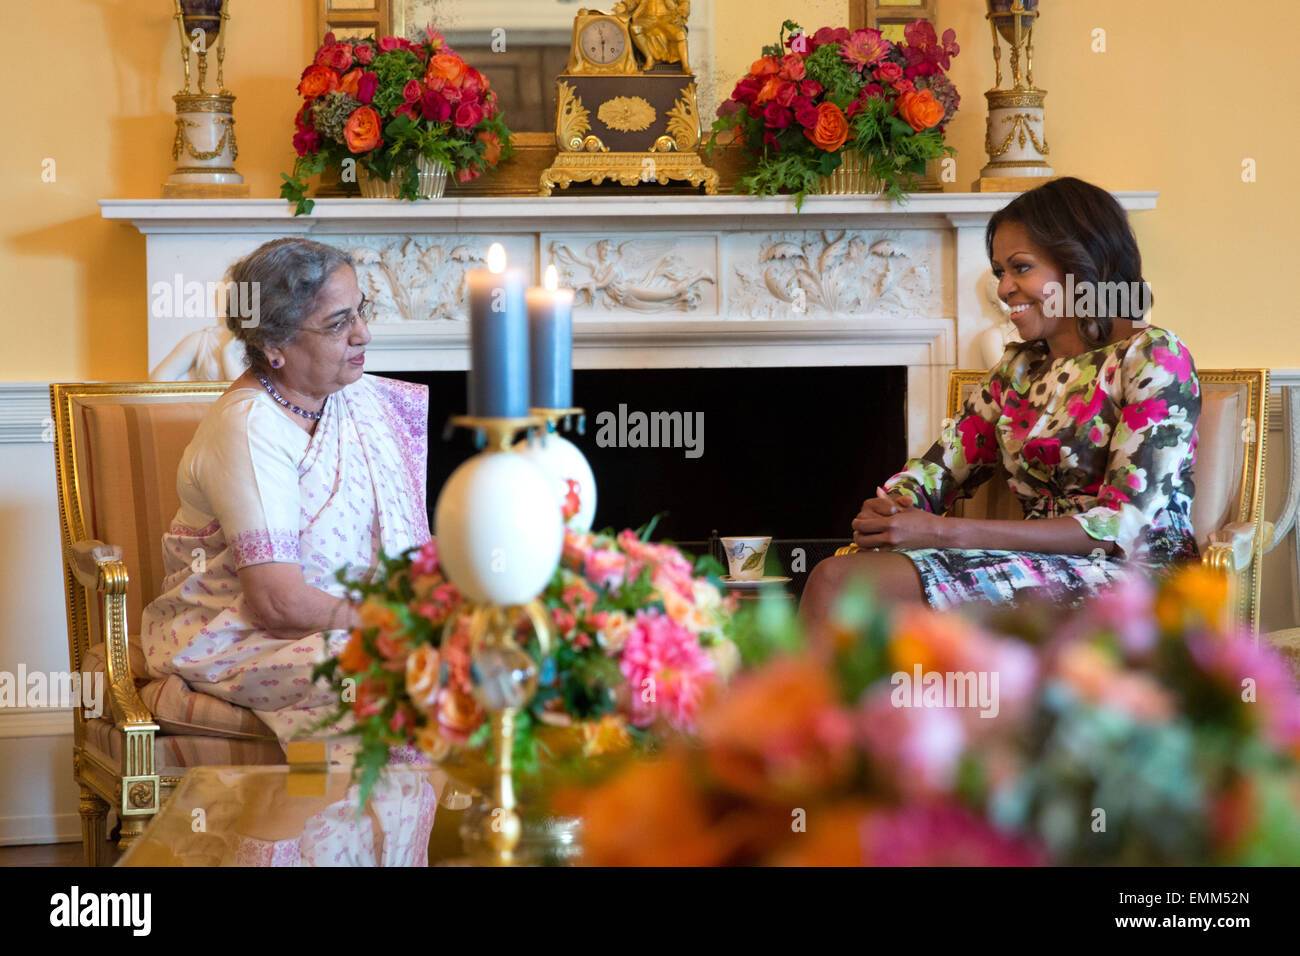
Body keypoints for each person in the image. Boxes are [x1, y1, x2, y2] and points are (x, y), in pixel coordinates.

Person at [800, 177, 1201, 628]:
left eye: (1021, 268)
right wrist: (894, 505)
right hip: (1036, 566)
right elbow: (937, 470)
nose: (1004, 288)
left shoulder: (1153, 356)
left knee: (840, 582)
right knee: (839, 576)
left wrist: (940, 533)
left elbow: (1119, 527)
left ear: (1081, 266)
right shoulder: (1017, 372)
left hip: (1136, 579)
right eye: (999, 272)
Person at [141, 237, 431, 759]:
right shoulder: (249, 426)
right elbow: (276, 601)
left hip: (330, 620)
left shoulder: (350, 403)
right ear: (274, 346)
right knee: (387, 669)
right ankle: (325, 833)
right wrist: (398, 623)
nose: (363, 333)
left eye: (360, 311)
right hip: (235, 633)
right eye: (338, 323)